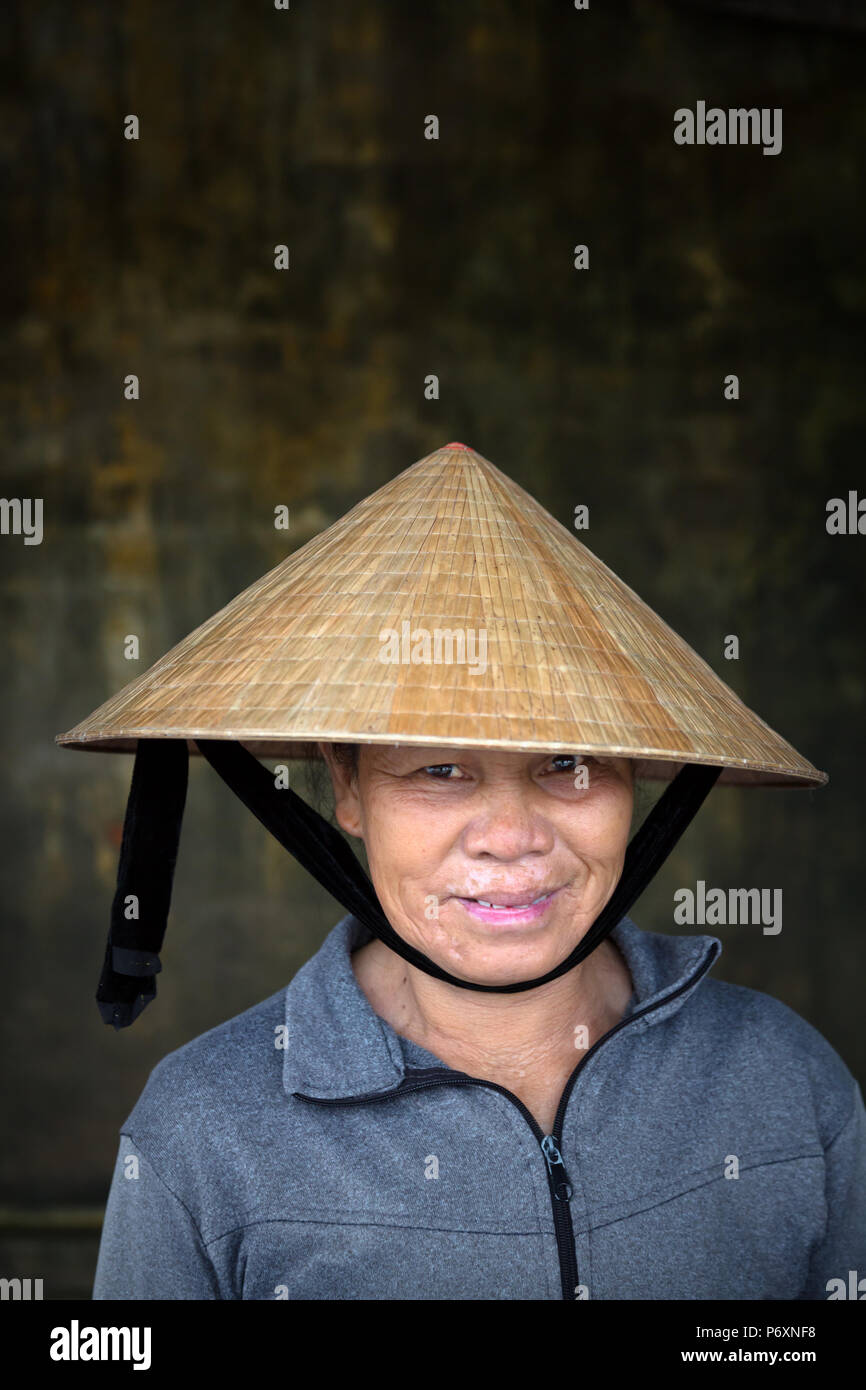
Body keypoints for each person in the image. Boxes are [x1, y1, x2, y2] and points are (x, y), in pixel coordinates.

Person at [58, 443, 864, 1298]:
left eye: (567, 764)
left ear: (639, 778)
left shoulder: (782, 1076)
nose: (512, 838)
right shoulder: (202, 1131)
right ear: (349, 788)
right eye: (441, 771)